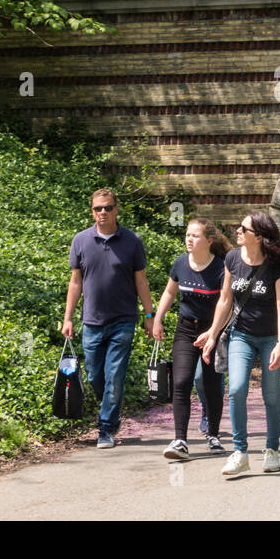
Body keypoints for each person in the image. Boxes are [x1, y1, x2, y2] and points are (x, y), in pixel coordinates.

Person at [197, 211, 280, 477]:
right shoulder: (232, 259)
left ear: (259, 237)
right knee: (237, 389)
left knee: (271, 396)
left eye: (244, 229)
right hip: (241, 335)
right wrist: (213, 334)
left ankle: (272, 450)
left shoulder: (276, 265)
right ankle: (240, 453)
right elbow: (225, 300)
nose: (237, 231)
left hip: (271, 338)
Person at [62, 188, 154, 448]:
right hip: (91, 321)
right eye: (97, 208)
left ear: (116, 209)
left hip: (123, 320)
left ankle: (106, 428)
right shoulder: (80, 240)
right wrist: (68, 318)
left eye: (108, 207)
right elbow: (75, 282)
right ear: (92, 211)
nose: (102, 212)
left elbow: (141, 280)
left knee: (114, 375)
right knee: (94, 376)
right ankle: (110, 410)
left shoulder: (132, 241)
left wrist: (149, 315)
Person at [151, 219, 231, 459]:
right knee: (181, 381)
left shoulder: (221, 267)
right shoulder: (180, 263)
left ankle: (214, 435)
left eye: (195, 236)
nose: (189, 239)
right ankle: (180, 440)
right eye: (187, 235)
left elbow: (226, 303)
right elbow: (169, 291)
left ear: (208, 241)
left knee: (211, 384)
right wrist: (157, 318)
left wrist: (213, 334)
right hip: (185, 330)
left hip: (212, 330)